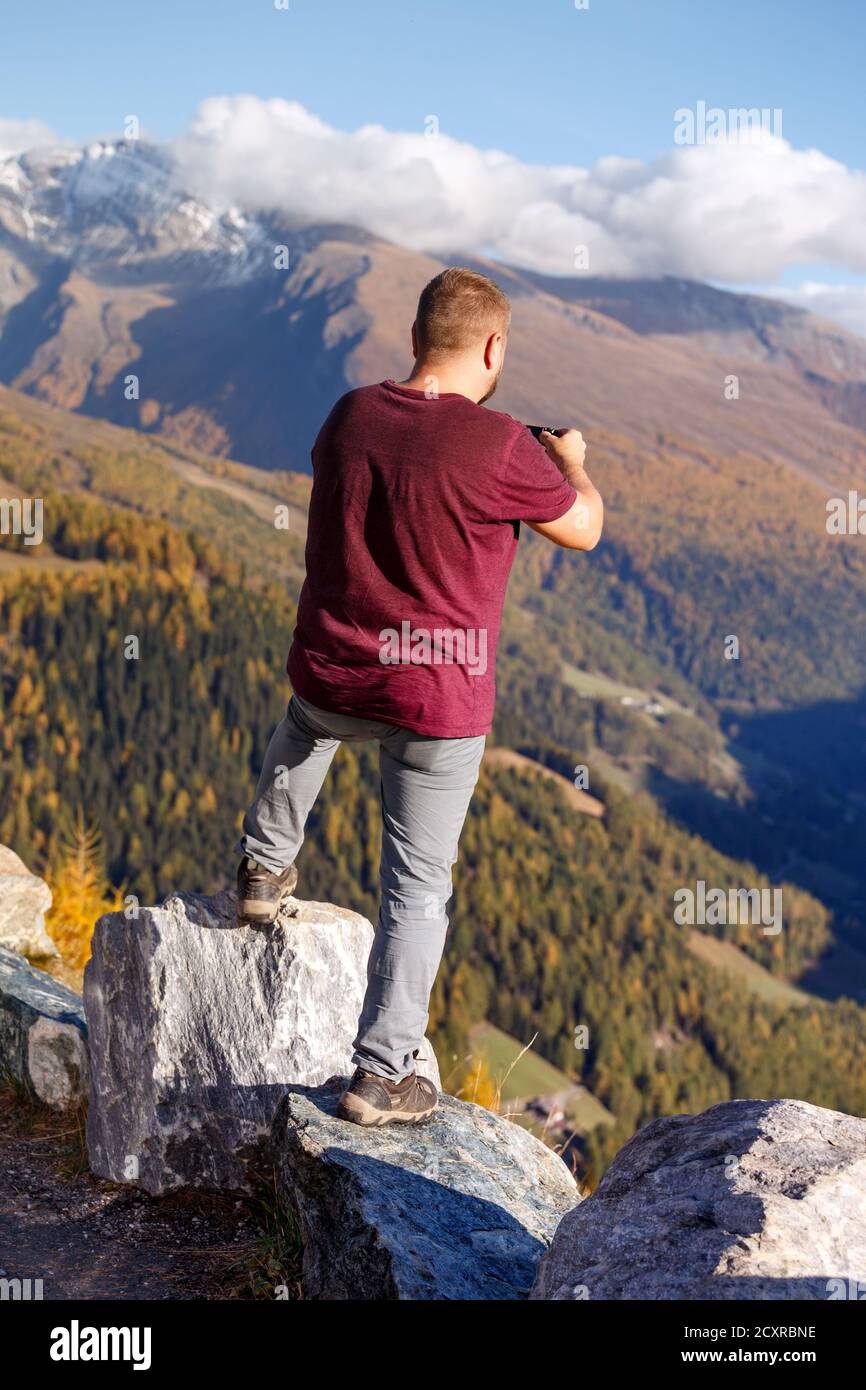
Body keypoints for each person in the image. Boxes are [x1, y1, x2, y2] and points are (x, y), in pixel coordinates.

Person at [236, 266, 603, 1126]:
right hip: (439, 694)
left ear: (413, 339)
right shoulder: (505, 444)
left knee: (304, 726)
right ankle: (381, 1073)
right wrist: (574, 466)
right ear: (493, 347)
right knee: (416, 883)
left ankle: (260, 868)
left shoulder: (349, 414)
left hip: (334, 666)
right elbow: (583, 530)